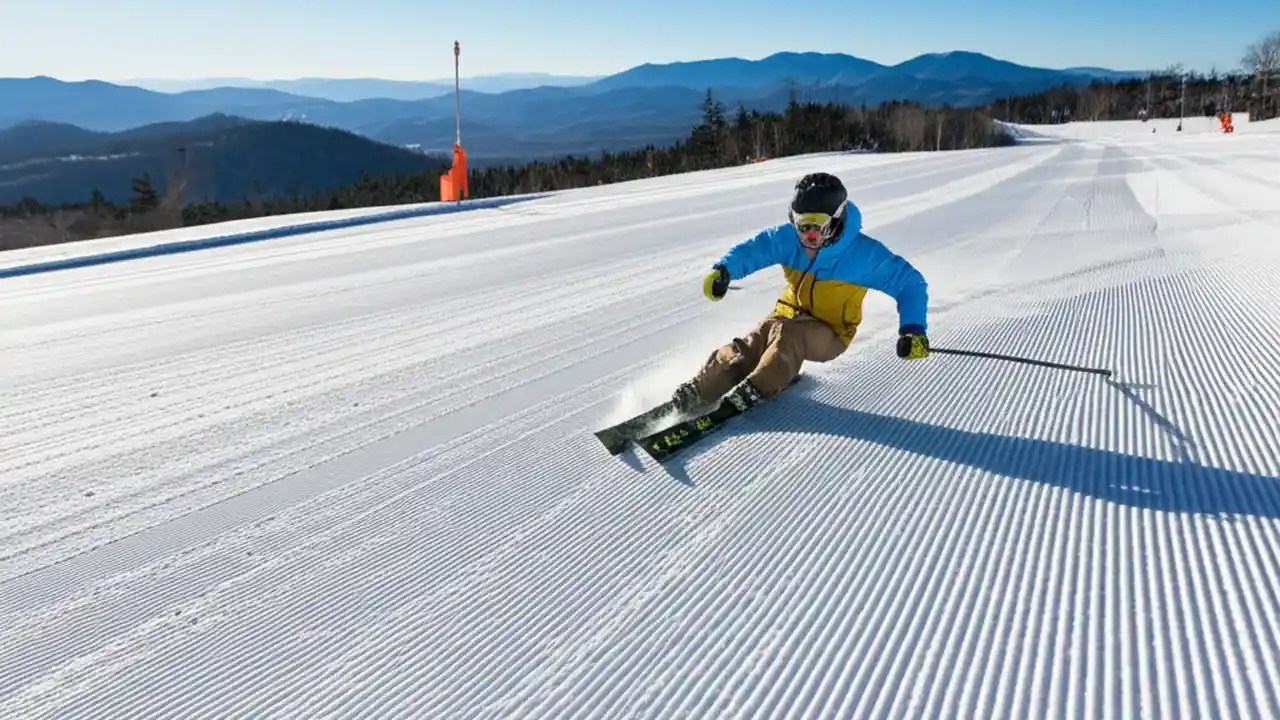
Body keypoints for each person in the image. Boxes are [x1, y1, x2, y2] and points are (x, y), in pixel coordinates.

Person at [672, 172, 931, 414]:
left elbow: (909, 284)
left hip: (830, 332)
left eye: (817, 225)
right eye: (801, 224)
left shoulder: (862, 255)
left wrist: (913, 329)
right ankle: (700, 390)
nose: (808, 234)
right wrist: (724, 271)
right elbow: (755, 249)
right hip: (787, 313)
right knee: (753, 342)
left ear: (837, 219)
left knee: (788, 335)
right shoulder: (789, 240)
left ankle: (754, 389)